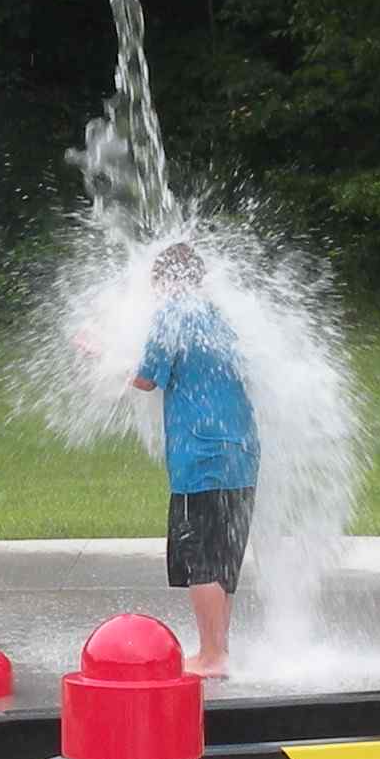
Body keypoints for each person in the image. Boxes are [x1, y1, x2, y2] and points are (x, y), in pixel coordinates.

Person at [132, 241, 258, 672]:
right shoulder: (220, 318)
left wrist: (99, 355)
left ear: (166, 279)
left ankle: (211, 653)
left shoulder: (172, 314)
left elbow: (147, 380)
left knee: (200, 556)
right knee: (224, 555)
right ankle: (220, 649)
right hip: (242, 451)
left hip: (199, 455)